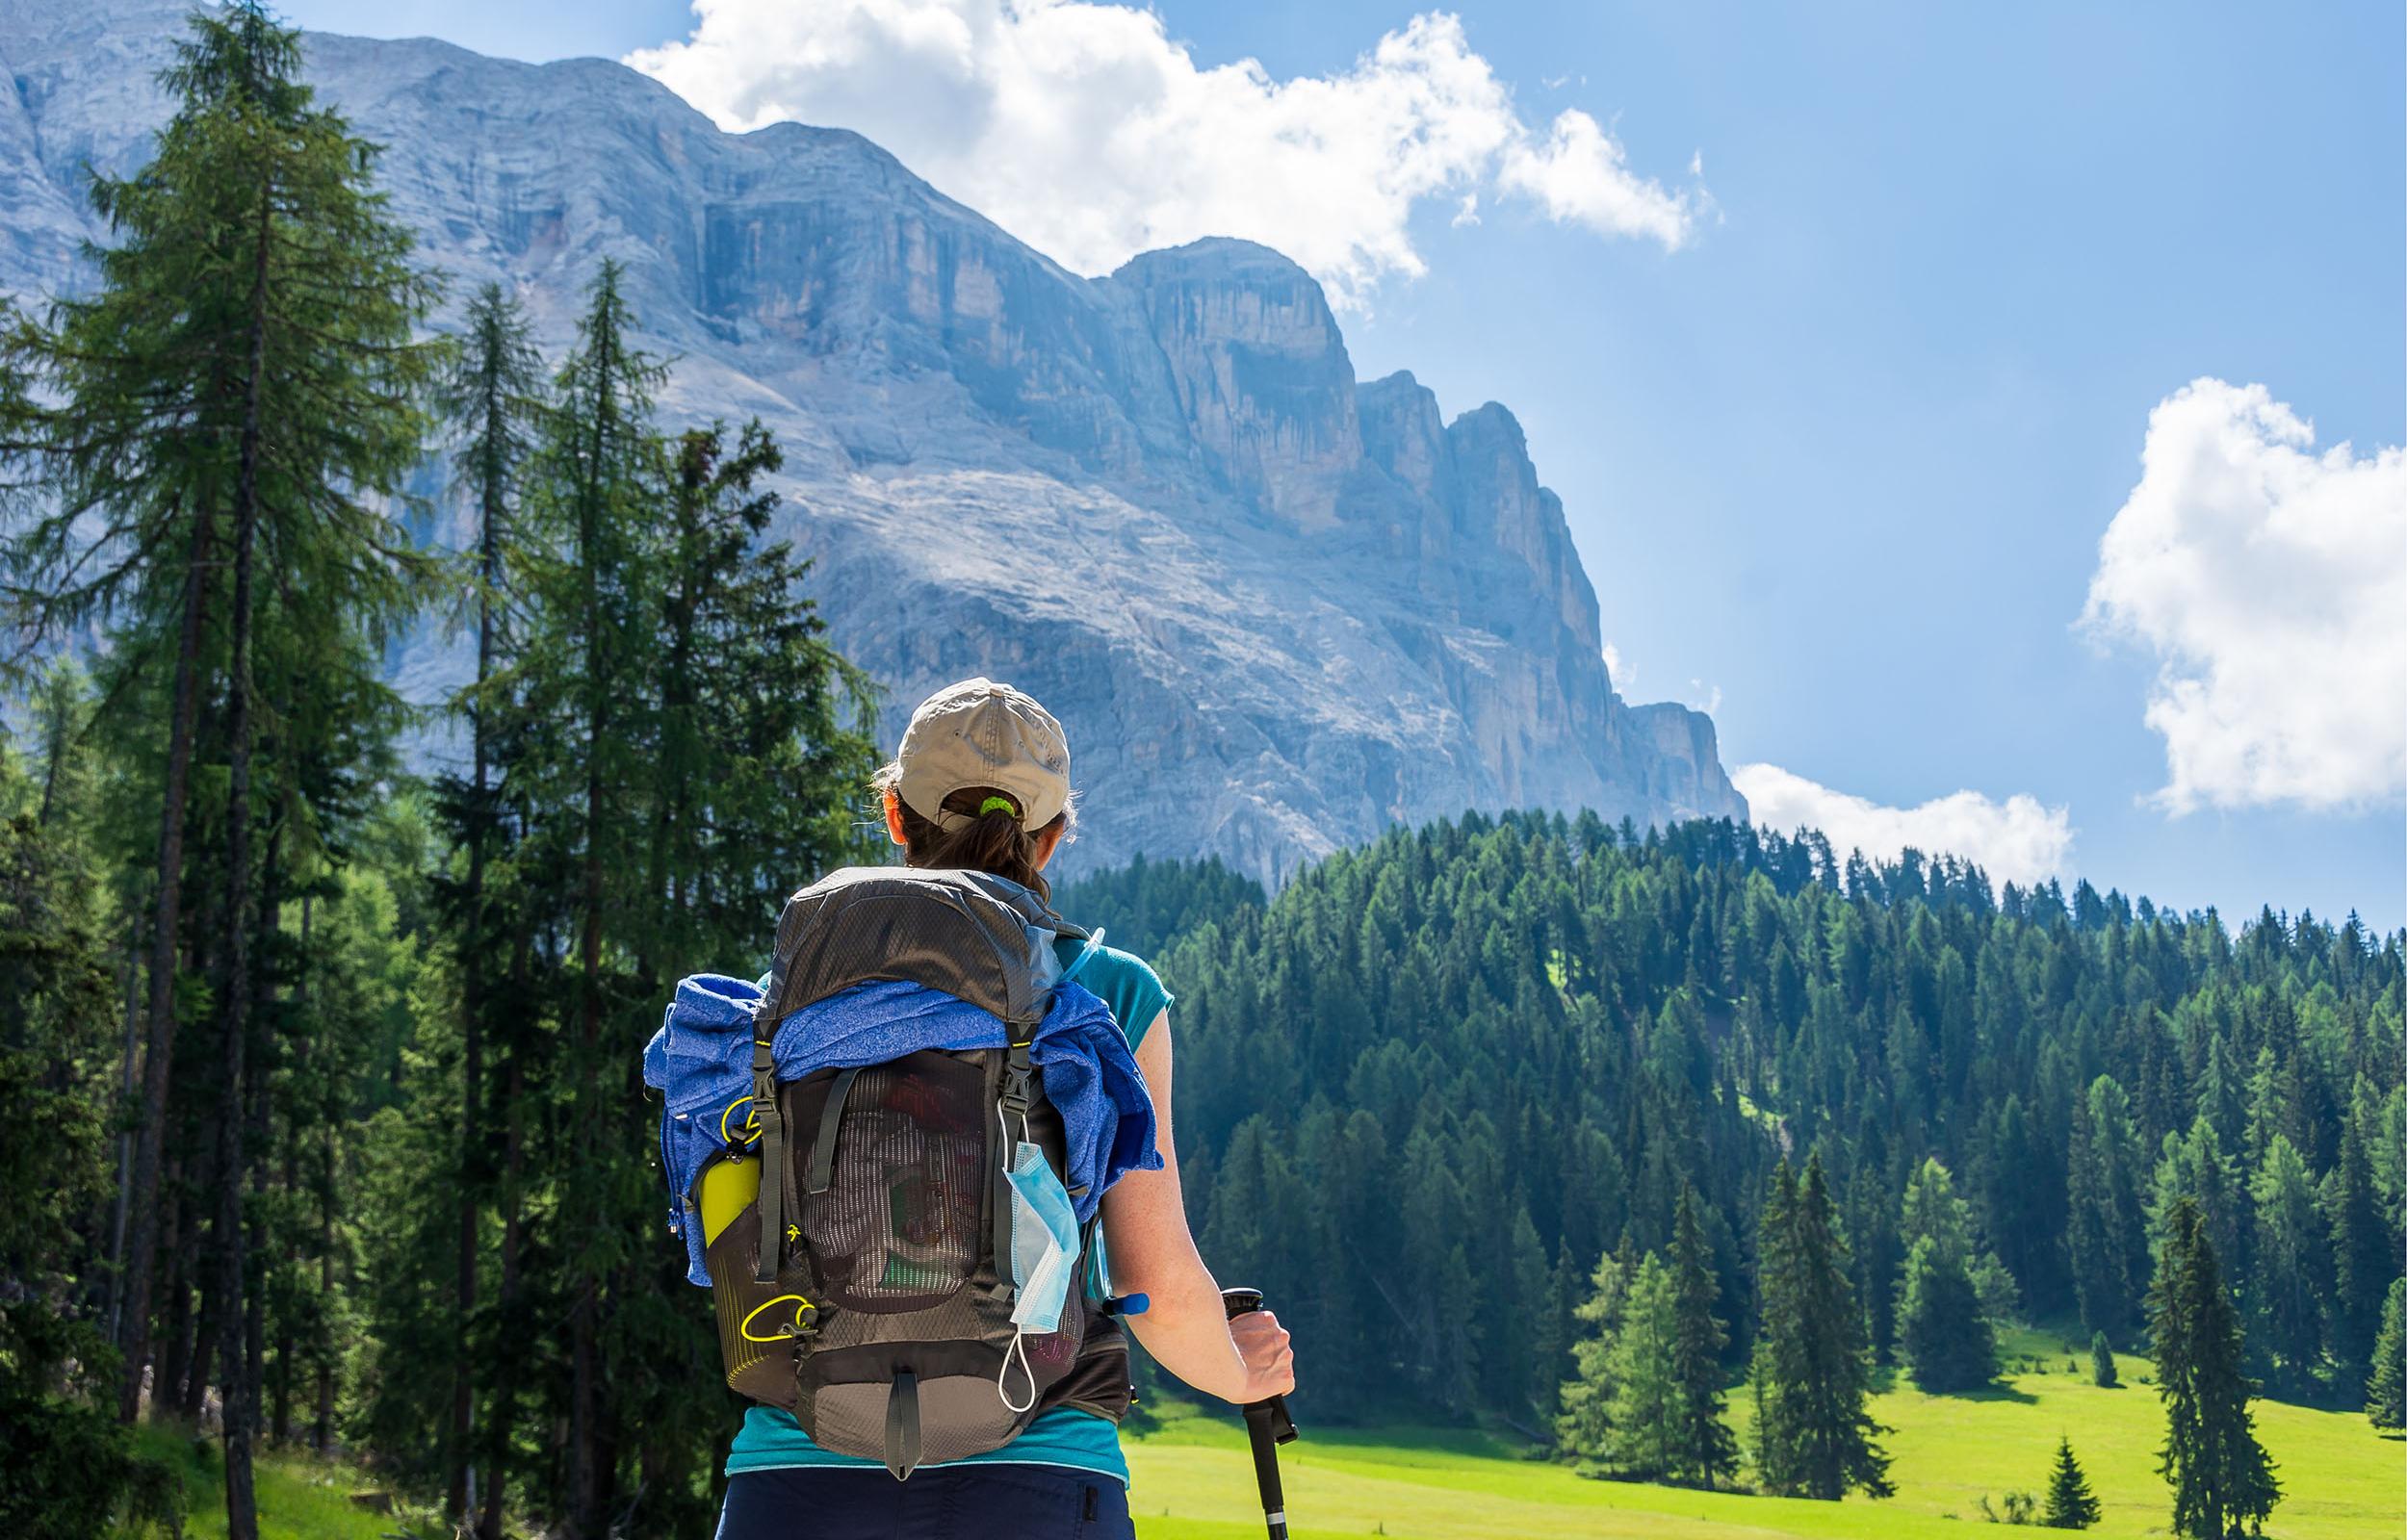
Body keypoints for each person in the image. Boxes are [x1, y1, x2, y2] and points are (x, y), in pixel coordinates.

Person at [715, 678, 1296, 1540]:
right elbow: (1155, 1286)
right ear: (1051, 837)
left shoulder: (785, 1001)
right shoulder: (1104, 993)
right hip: (1040, 1475)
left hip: (795, 1476)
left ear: (895, 814)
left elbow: (730, 1242)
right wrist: (1245, 1374)